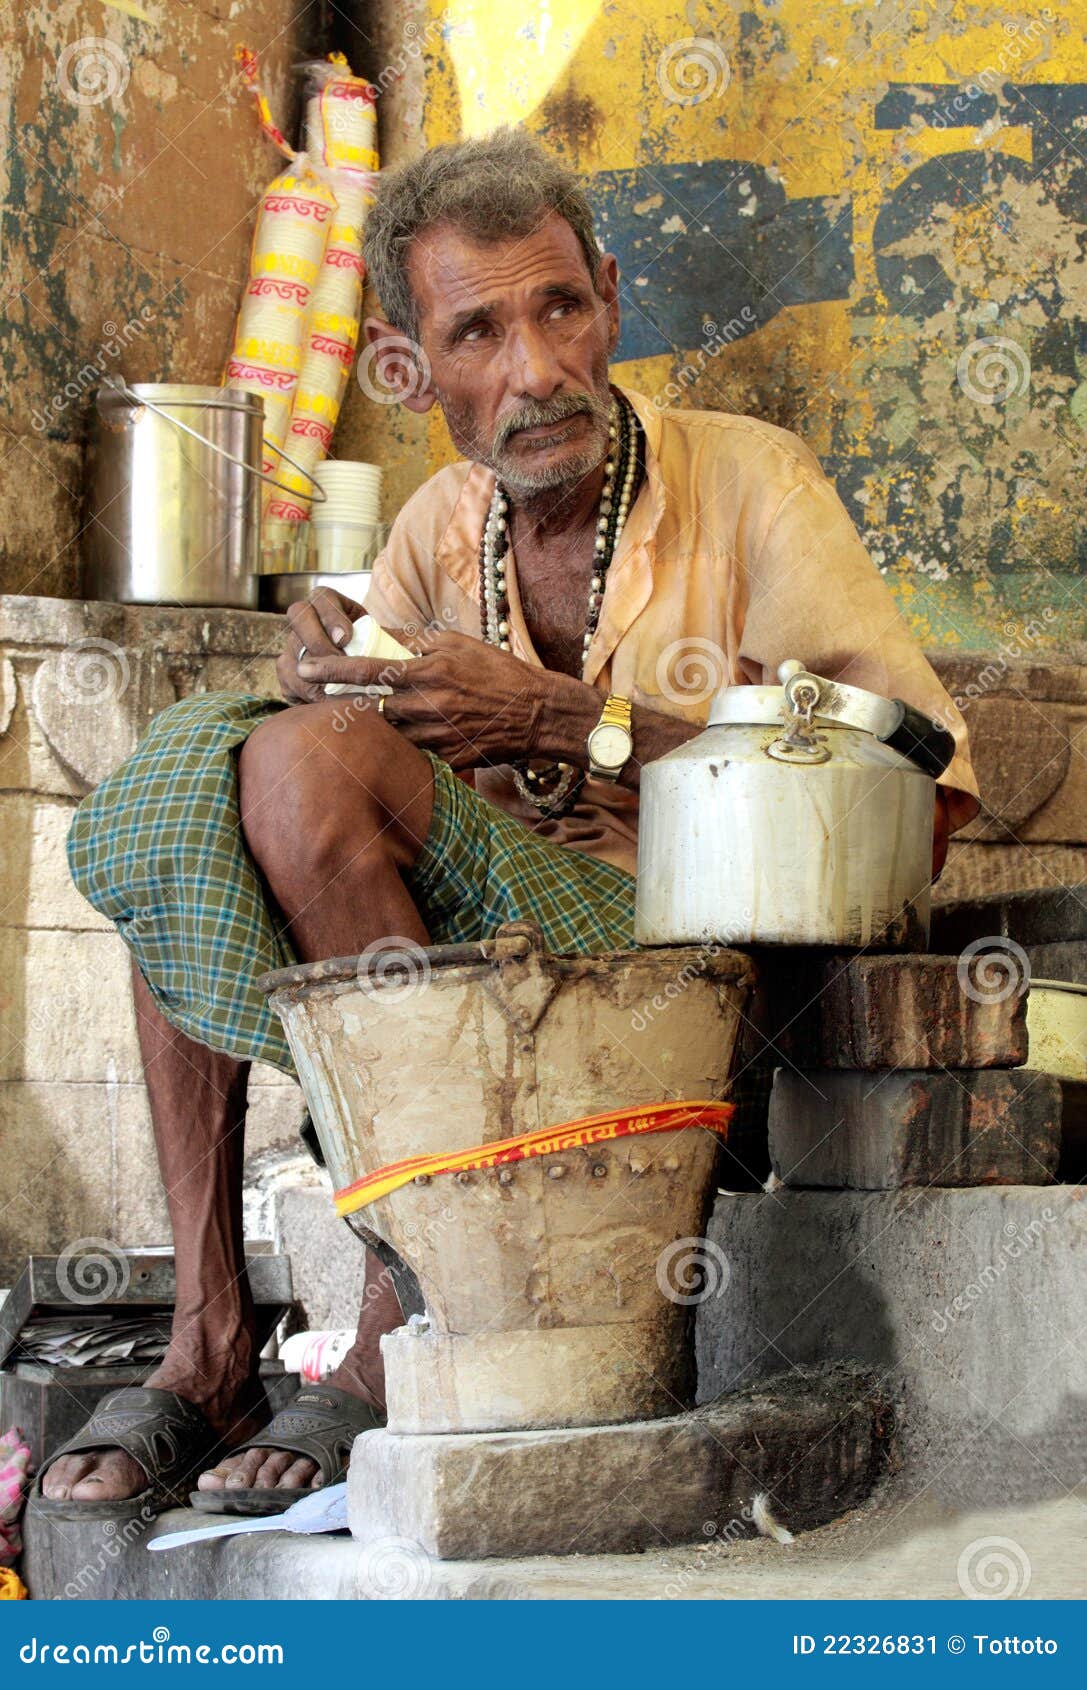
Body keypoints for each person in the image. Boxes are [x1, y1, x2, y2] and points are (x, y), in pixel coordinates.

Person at [36, 125, 979, 1517]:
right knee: (188, 800)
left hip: (696, 988)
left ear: (608, 296)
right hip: (490, 1000)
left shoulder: (752, 484)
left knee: (290, 774)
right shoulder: (437, 523)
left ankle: (389, 1325)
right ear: (413, 370)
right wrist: (323, 669)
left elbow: (915, 784)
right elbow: (320, 767)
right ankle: (211, 1335)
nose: (535, 369)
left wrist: (562, 719)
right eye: (477, 332)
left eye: (560, 308)